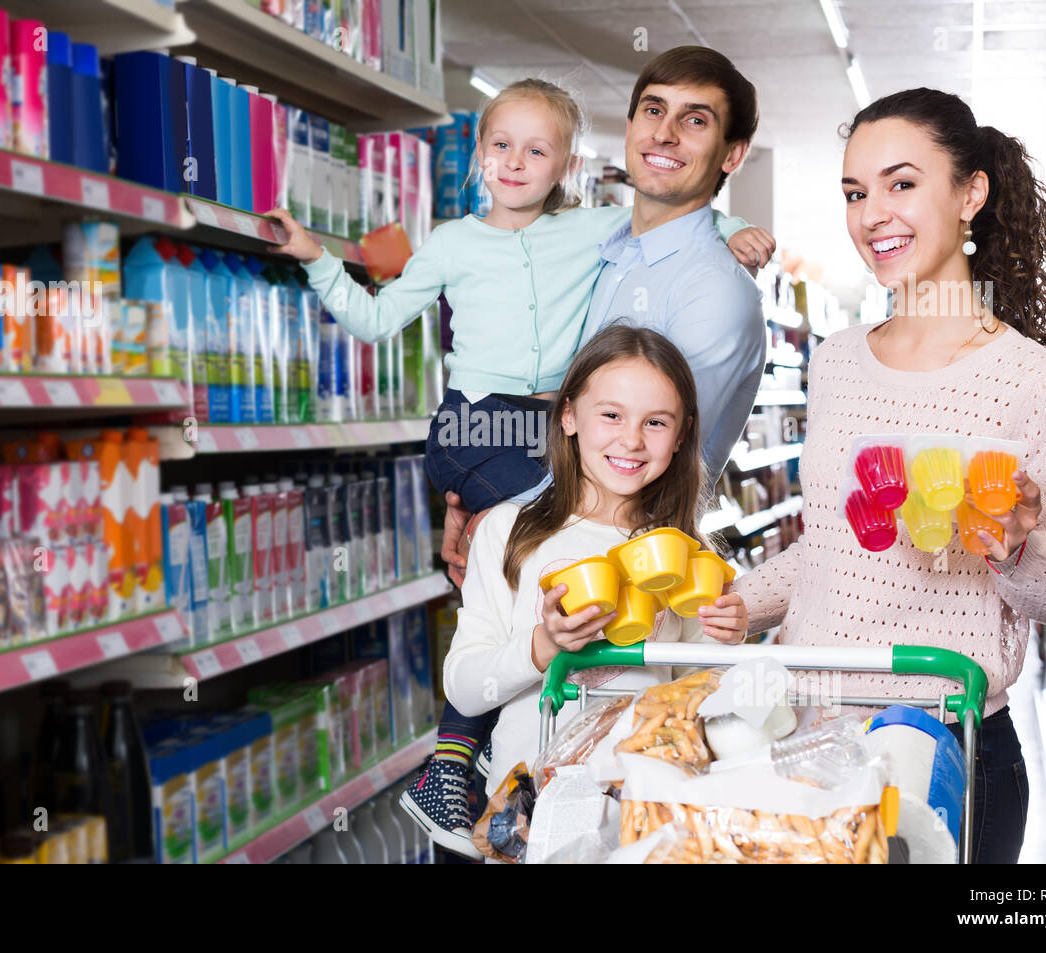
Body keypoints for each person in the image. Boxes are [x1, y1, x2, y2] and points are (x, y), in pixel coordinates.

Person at [265, 77, 771, 857]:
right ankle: (453, 761)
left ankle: (470, 751)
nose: (516, 162)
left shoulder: (592, 229)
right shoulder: (450, 243)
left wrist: (737, 228)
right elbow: (374, 317)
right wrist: (317, 259)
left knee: (522, 550)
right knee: (521, 543)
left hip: (539, 423)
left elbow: (675, 206)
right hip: (478, 424)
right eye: (500, 144)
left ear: (567, 165)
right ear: (476, 155)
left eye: (538, 150)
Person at [731, 88, 1046, 864]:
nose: (872, 215)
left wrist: (1015, 545)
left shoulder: (1032, 382)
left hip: (947, 746)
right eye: (855, 193)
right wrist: (736, 600)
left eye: (901, 184)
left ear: (971, 194)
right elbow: (828, 550)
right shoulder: (835, 361)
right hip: (807, 738)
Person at [444, 47, 771, 587]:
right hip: (547, 548)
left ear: (731, 155)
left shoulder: (713, 290)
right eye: (652, 110)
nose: (664, 133)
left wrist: (501, 520)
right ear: (630, 126)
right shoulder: (602, 252)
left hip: (632, 579)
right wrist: (483, 496)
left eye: (694, 120)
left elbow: (636, 459)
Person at [441, 325, 748, 843]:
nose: (630, 439)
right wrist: (543, 645)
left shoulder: (683, 554)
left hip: (645, 821)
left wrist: (728, 637)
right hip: (528, 823)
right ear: (568, 417)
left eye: (655, 422)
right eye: (611, 415)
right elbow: (466, 691)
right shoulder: (509, 532)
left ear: (680, 436)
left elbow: (705, 696)